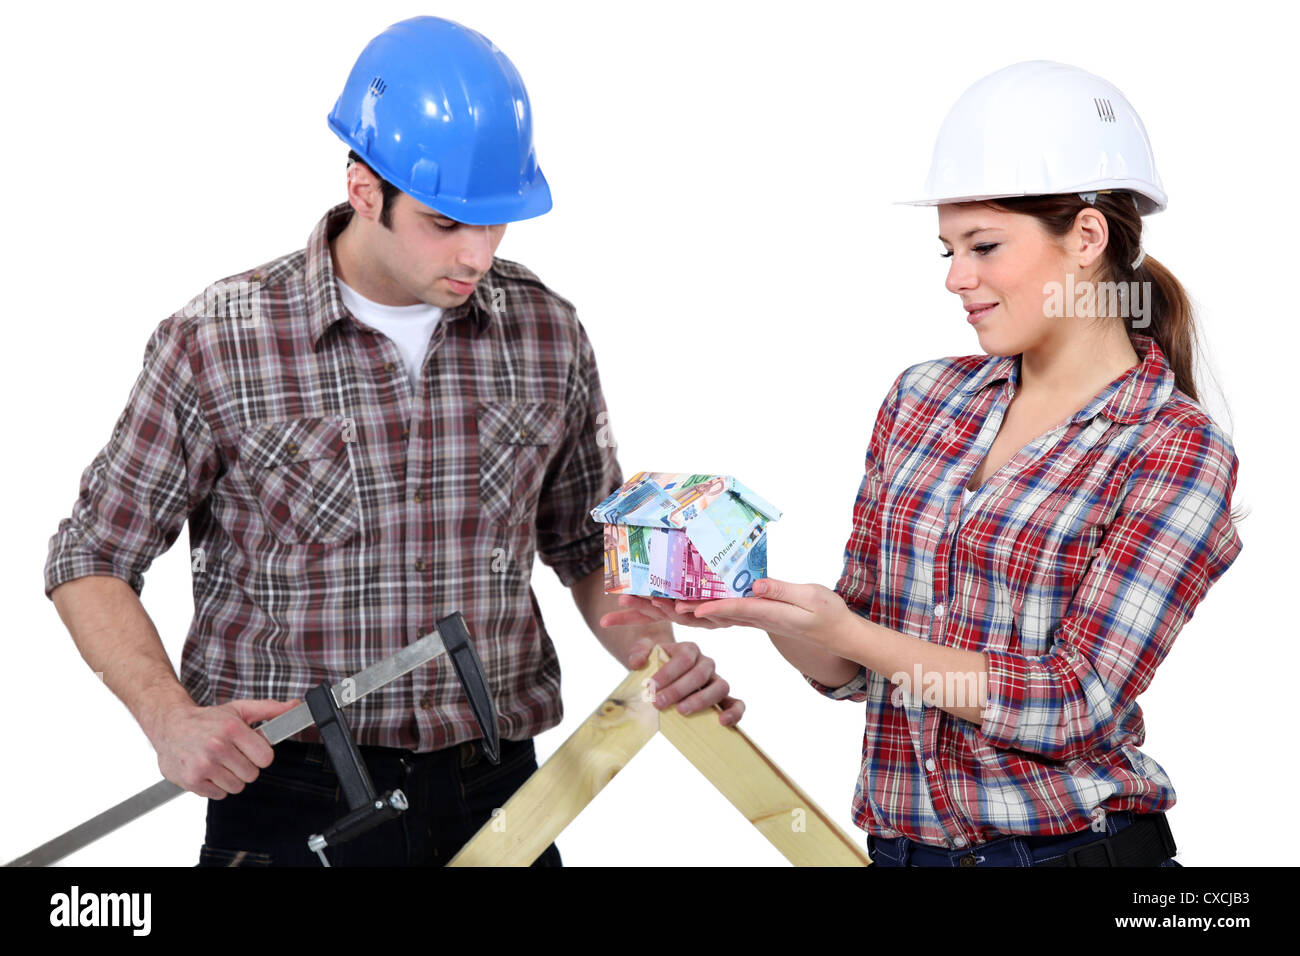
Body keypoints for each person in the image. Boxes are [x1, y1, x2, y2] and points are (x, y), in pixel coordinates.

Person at [42, 16, 742, 867]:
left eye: (497, 224)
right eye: (447, 223)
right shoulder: (218, 341)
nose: (479, 254)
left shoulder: (547, 333)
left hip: (500, 791)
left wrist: (652, 654)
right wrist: (168, 718)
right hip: (290, 794)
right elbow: (90, 557)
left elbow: (585, 546)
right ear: (364, 188)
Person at [603, 61, 1243, 867]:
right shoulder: (925, 401)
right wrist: (761, 607)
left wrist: (853, 632)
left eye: (983, 247)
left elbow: (1072, 704)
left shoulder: (1172, 447)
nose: (955, 278)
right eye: (947, 248)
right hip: (902, 854)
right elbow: (858, 664)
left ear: (1086, 238)